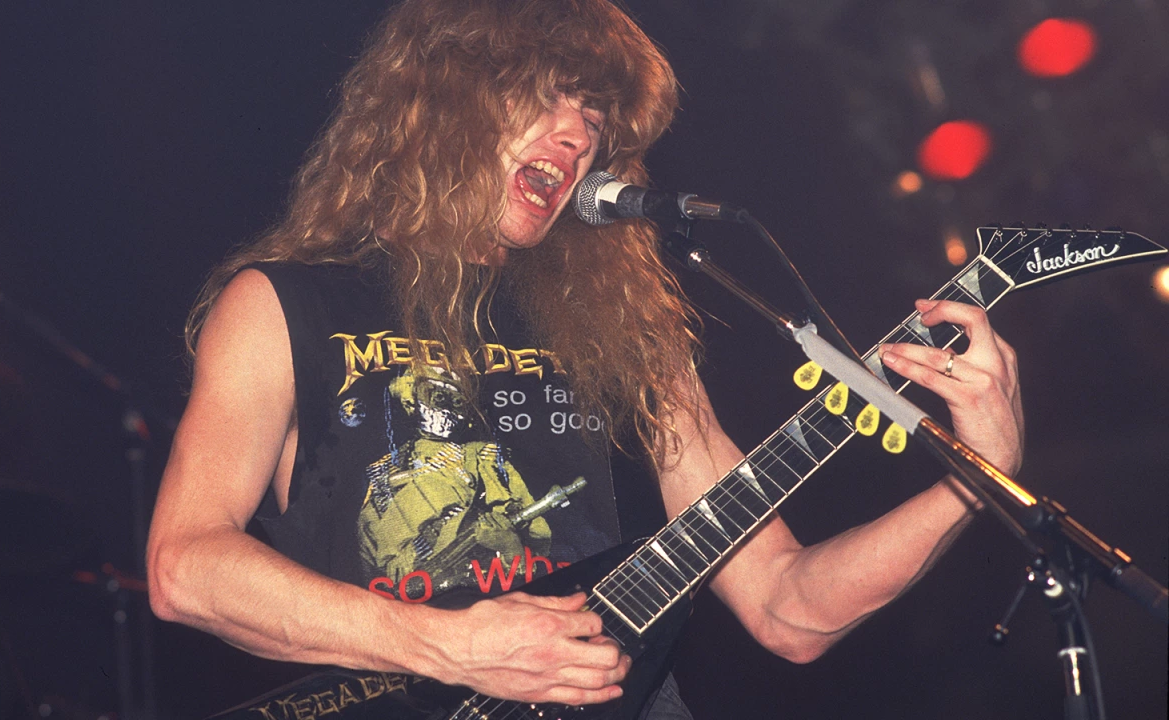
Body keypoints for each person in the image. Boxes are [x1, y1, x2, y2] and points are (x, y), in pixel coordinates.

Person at [146, 0, 1024, 717]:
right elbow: (185, 568)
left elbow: (788, 607)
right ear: (442, 100)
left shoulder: (626, 335)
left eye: (594, 120)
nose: (574, 138)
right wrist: (451, 644)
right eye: (546, 98)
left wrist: (977, 477)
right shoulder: (282, 305)